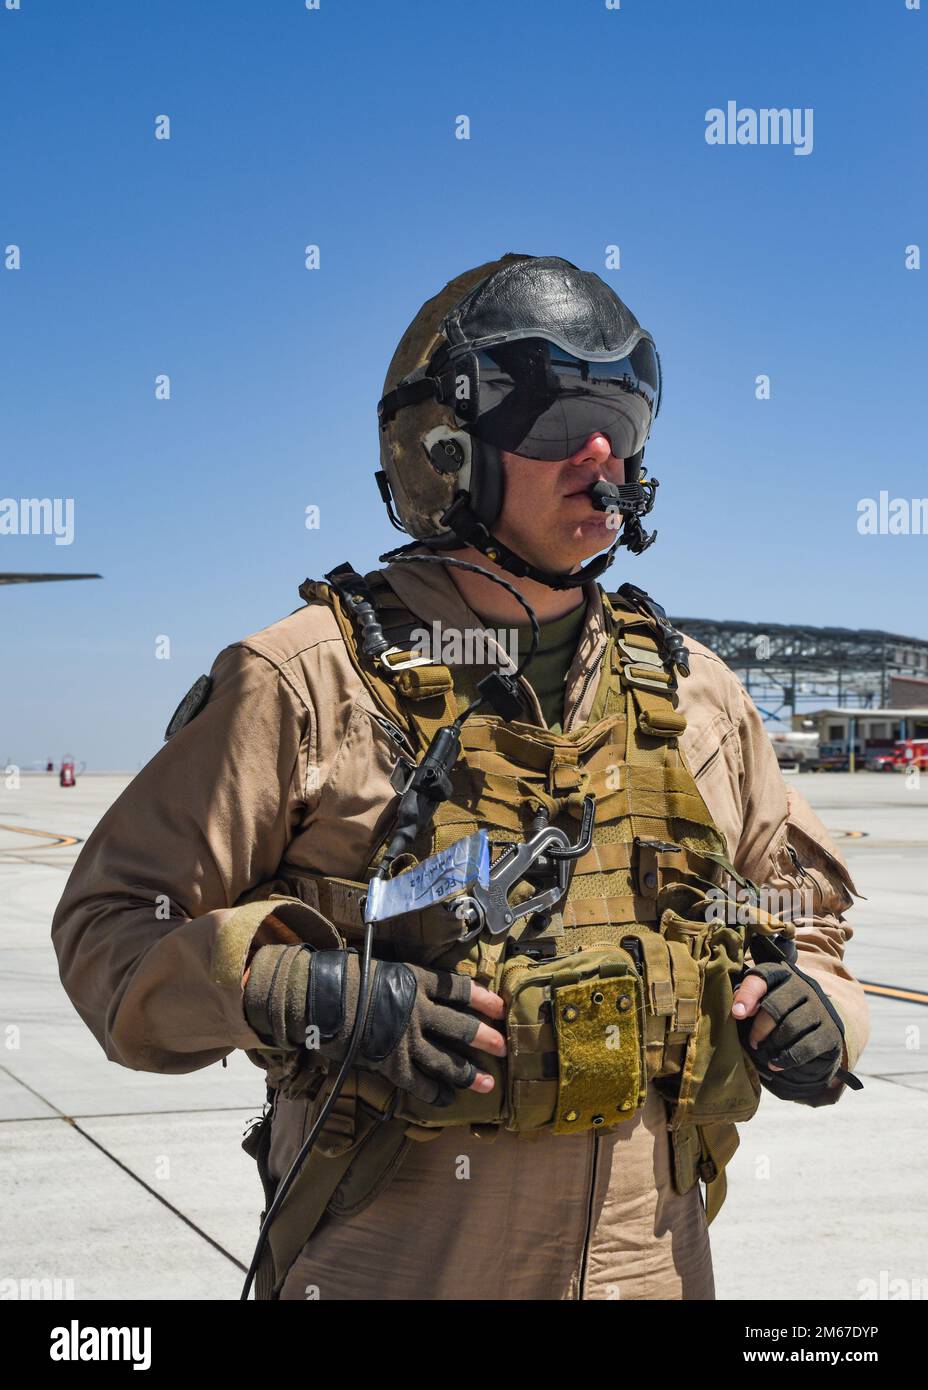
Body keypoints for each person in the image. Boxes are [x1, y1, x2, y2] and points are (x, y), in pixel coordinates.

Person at [52, 253, 868, 1301]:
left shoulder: (696, 693)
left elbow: (804, 915)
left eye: (620, 421)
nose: (598, 454)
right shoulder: (306, 678)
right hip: (396, 1264)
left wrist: (823, 1013)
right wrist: (305, 990)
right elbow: (108, 931)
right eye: (553, 418)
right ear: (445, 449)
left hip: (650, 1264)